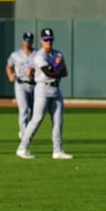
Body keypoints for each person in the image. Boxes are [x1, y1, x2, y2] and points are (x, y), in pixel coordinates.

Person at [18, 28, 71, 159]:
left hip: (56, 89)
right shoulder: (39, 56)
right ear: (42, 41)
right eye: (46, 40)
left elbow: (65, 72)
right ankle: (22, 148)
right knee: (37, 119)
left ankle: (57, 151)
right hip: (42, 88)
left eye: (51, 39)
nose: (49, 42)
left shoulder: (58, 53)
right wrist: (57, 65)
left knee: (58, 121)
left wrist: (56, 67)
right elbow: (49, 72)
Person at [5, 32, 36, 141]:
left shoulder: (37, 54)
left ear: (32, 41)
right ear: (22, 41)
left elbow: (43, 69)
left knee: (33, 111)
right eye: (25, 40)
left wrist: (34, 72)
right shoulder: (15, 54)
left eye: (29, 40)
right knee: (24, 110)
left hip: (35, 85)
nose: (27, 42)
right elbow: (9, 66)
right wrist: (10, 75)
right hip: (20, 84)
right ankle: (25, 135)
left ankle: (26, 130)